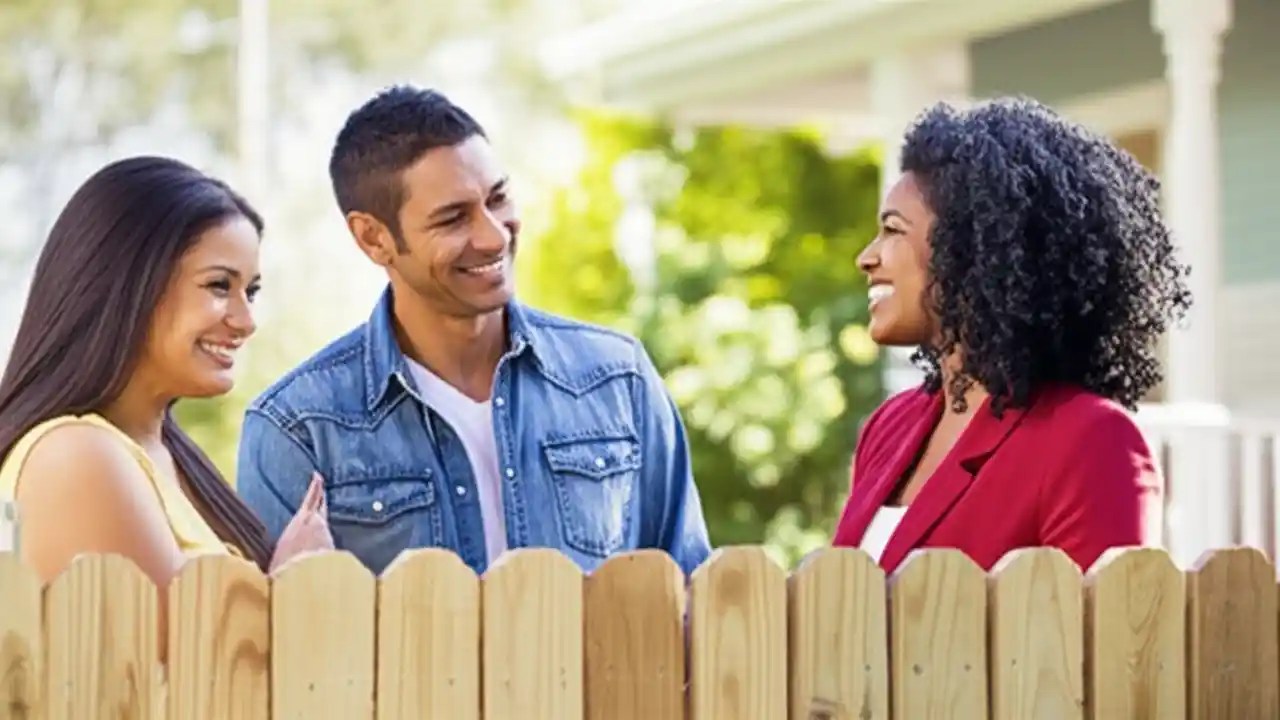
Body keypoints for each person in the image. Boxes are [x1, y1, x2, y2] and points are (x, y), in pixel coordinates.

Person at [236, 85, 711, 577]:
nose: (494, 235)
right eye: (453, 218)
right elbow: (290, 640)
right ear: (374, 238)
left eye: (497, 198)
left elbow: (686, 589)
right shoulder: (299, 428)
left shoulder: (618, 379)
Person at [832, 97, 1191, 574]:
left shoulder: (1090, 441)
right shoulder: (889, 426)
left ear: (972, 249)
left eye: (892, 231)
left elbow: (1108, 640)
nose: (866, 257)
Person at [0, 157, 332, 609]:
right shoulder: (76, 456)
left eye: (250, 292)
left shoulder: (166, 458)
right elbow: (184, 665)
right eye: (219, 285)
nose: (246, 321)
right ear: (129, 284)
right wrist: (291, 583)